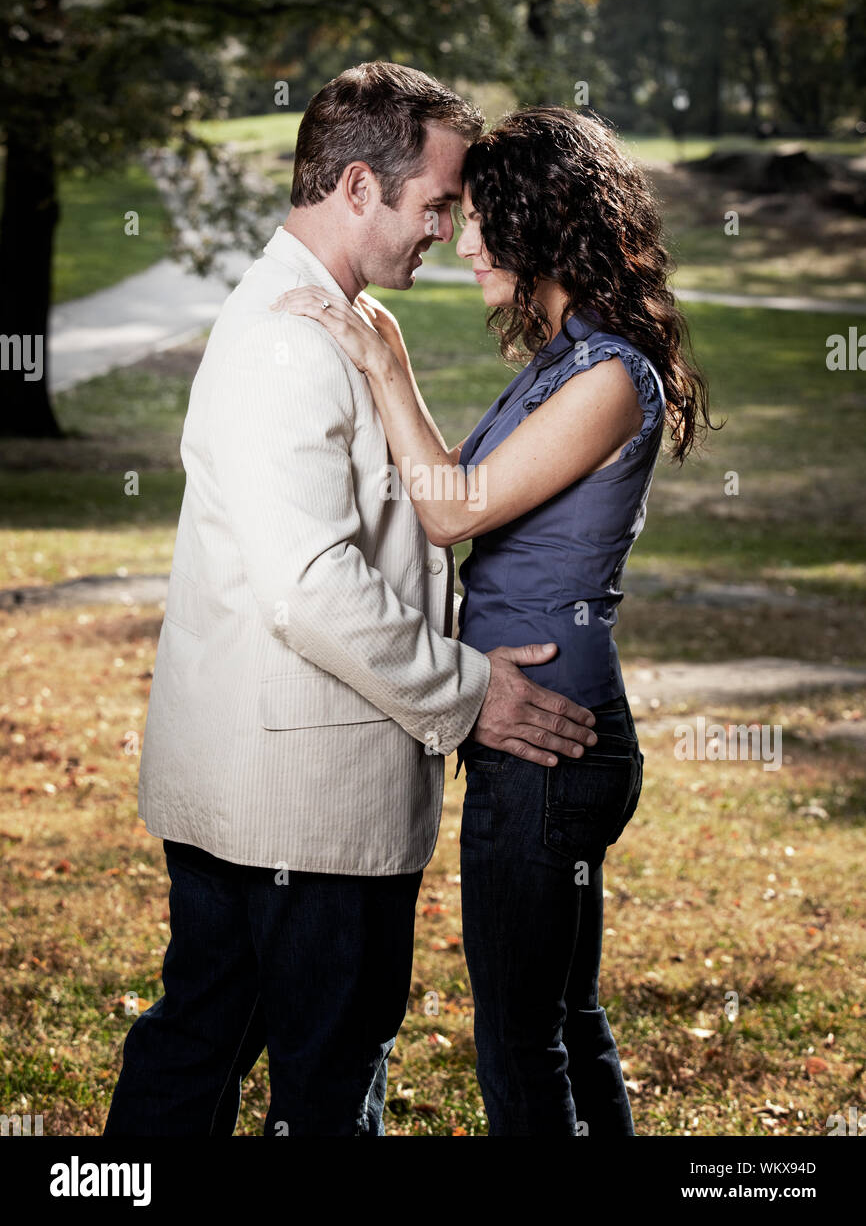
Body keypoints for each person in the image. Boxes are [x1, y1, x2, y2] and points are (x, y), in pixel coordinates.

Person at [103, 66, 599, 1139]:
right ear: (362, 187)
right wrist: (474, 695)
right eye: (435, 205)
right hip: (299, 804)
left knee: (195, 1049)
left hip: (273, 795)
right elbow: (312, 585)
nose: (448, 231)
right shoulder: (288, 336)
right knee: (321, 1088)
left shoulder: (345, 316)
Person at [275, 105, 713, 1137]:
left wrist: (384, 360)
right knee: (563, 1015)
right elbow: (457, 491)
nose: (461, 241)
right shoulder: (565, 358)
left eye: (480, 218)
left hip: (550, 731)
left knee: (521, 1041)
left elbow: (452, 507)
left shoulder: (609, 374)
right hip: (542, 722)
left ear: (540, 220)